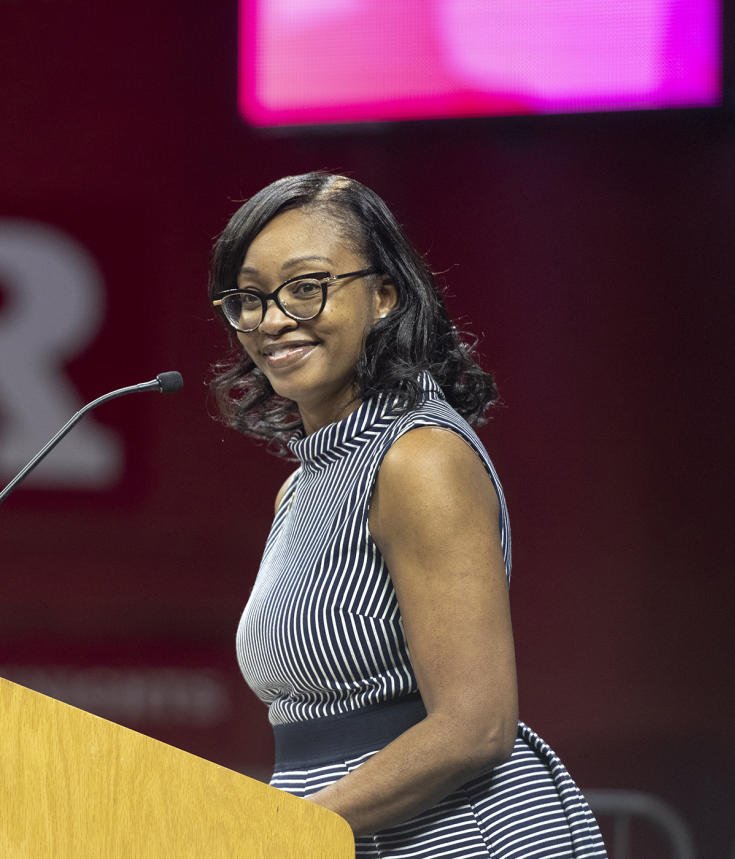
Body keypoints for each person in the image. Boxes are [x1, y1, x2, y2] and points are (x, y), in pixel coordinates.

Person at [209, 172, 606, 857]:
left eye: (306, 287)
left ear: (384, 295)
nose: (272, 320)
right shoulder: (301, 488)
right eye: (250, 298)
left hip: (461, 839)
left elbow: (475, 725)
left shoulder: (418, 457)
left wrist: (284, 832)